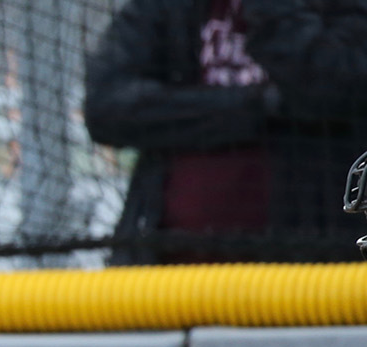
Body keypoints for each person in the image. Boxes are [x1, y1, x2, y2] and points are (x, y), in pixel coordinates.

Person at [83, 0, 367, 264]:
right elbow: (107, 108)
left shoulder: (336, 7)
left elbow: (331, 88)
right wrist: (260, 106)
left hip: (310, 274)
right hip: (171, 272)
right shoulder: (169, 8)